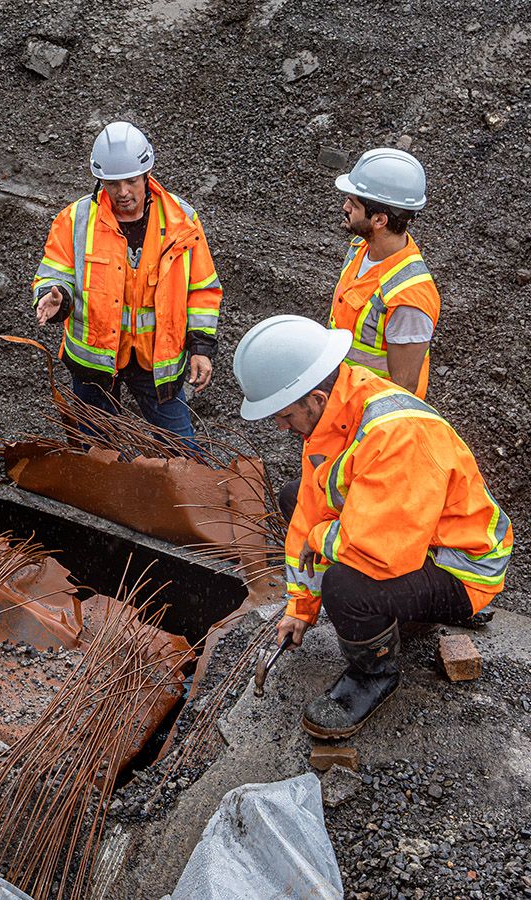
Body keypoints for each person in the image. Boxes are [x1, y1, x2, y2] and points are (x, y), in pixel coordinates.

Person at [233, 315, 512, 739]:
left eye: (285, 415)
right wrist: (300, 609)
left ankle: (374, 675)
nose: (281, 426)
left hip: (463, 567)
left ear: (316, 397)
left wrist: (318, 541)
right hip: (417, 541)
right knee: (295, 495)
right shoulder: (333, 414)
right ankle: (399, 614)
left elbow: (377, 553)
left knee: (346, 585)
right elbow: (310, 510)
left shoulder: (395, 435)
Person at [32, 122, 222, 438]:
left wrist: (201, 348)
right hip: (95, 360)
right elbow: (55, 273)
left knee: (184, 452)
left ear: (147, 175)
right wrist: (57, 299)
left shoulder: (181, 220)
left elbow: (202, 288)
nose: (122, 192)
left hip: (156, 362)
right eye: (112, 183)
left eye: (131, 181)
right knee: (97, 449)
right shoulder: (76, 219)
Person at [329, 148, 440, 397]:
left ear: (379, 221)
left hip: (367, 420)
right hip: (339, 400)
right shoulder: (360, 246)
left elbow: (403, 392)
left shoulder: (409, 299)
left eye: (353, 203)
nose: (345, 206)